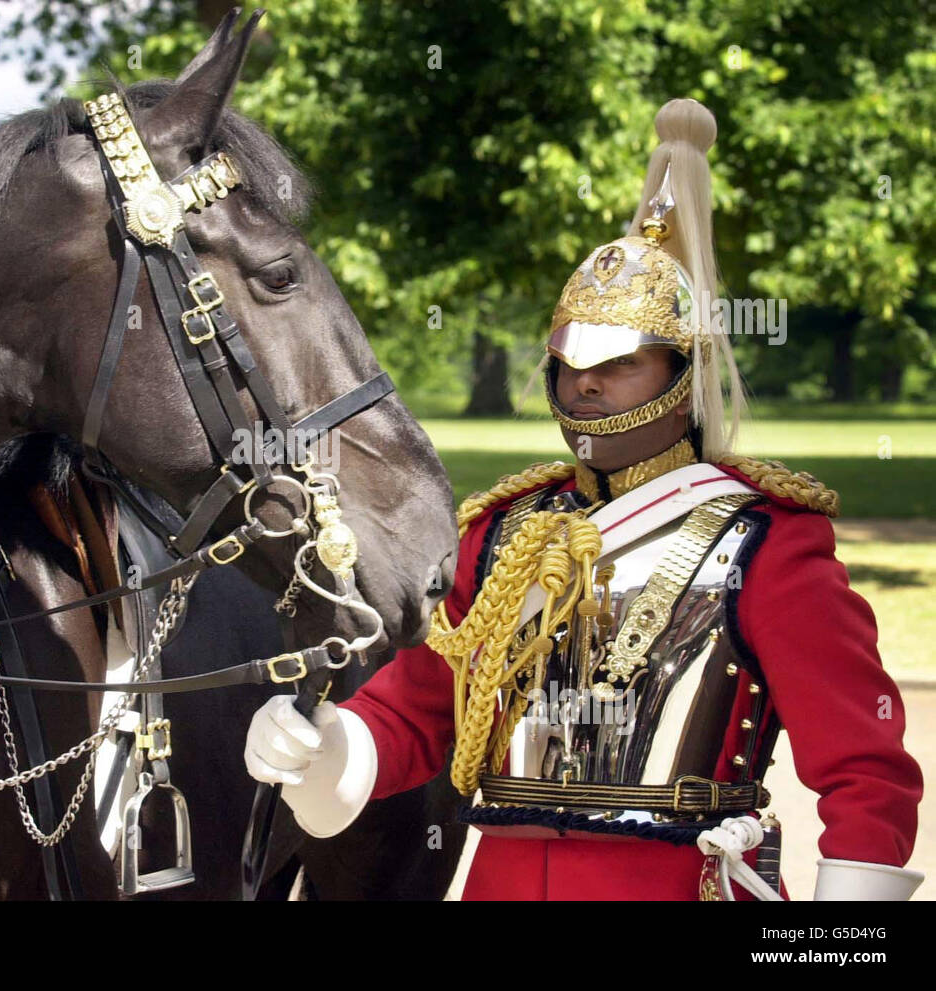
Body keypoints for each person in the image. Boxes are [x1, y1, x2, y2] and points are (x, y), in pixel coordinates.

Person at [243, 98, 924, 901]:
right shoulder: (503, 531)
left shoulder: (765, 541)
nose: (586, 383)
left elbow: (864, 769)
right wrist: (327, 747)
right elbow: (423, 710)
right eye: (570, 364)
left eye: (620, 363)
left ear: (682, 376)